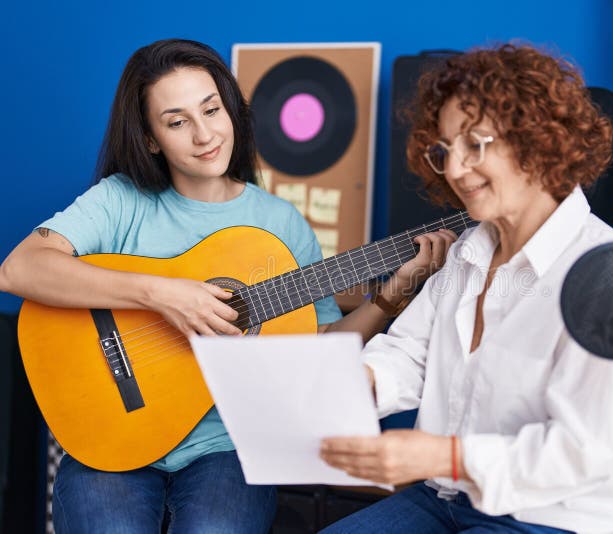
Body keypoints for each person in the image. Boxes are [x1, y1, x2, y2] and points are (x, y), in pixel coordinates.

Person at [0, 38, 455, 533]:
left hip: (229, 446)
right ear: (151, 138)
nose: (204, 135)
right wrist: (164, 295)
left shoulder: (280, 222)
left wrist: (390, 299)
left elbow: (317, 350)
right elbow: (18, 270)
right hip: (112, 434)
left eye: (212, 110)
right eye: (177, 122)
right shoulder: (120, 200)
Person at [319, 43, 613, 534]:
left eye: (475, 144)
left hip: (558, 516)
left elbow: (586, 450)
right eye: (445, 150)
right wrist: (363, 381)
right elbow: (410, 354)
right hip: (446, 496)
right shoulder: (470, 250)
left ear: (538, 140)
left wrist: (445, 454)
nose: (457, 169)